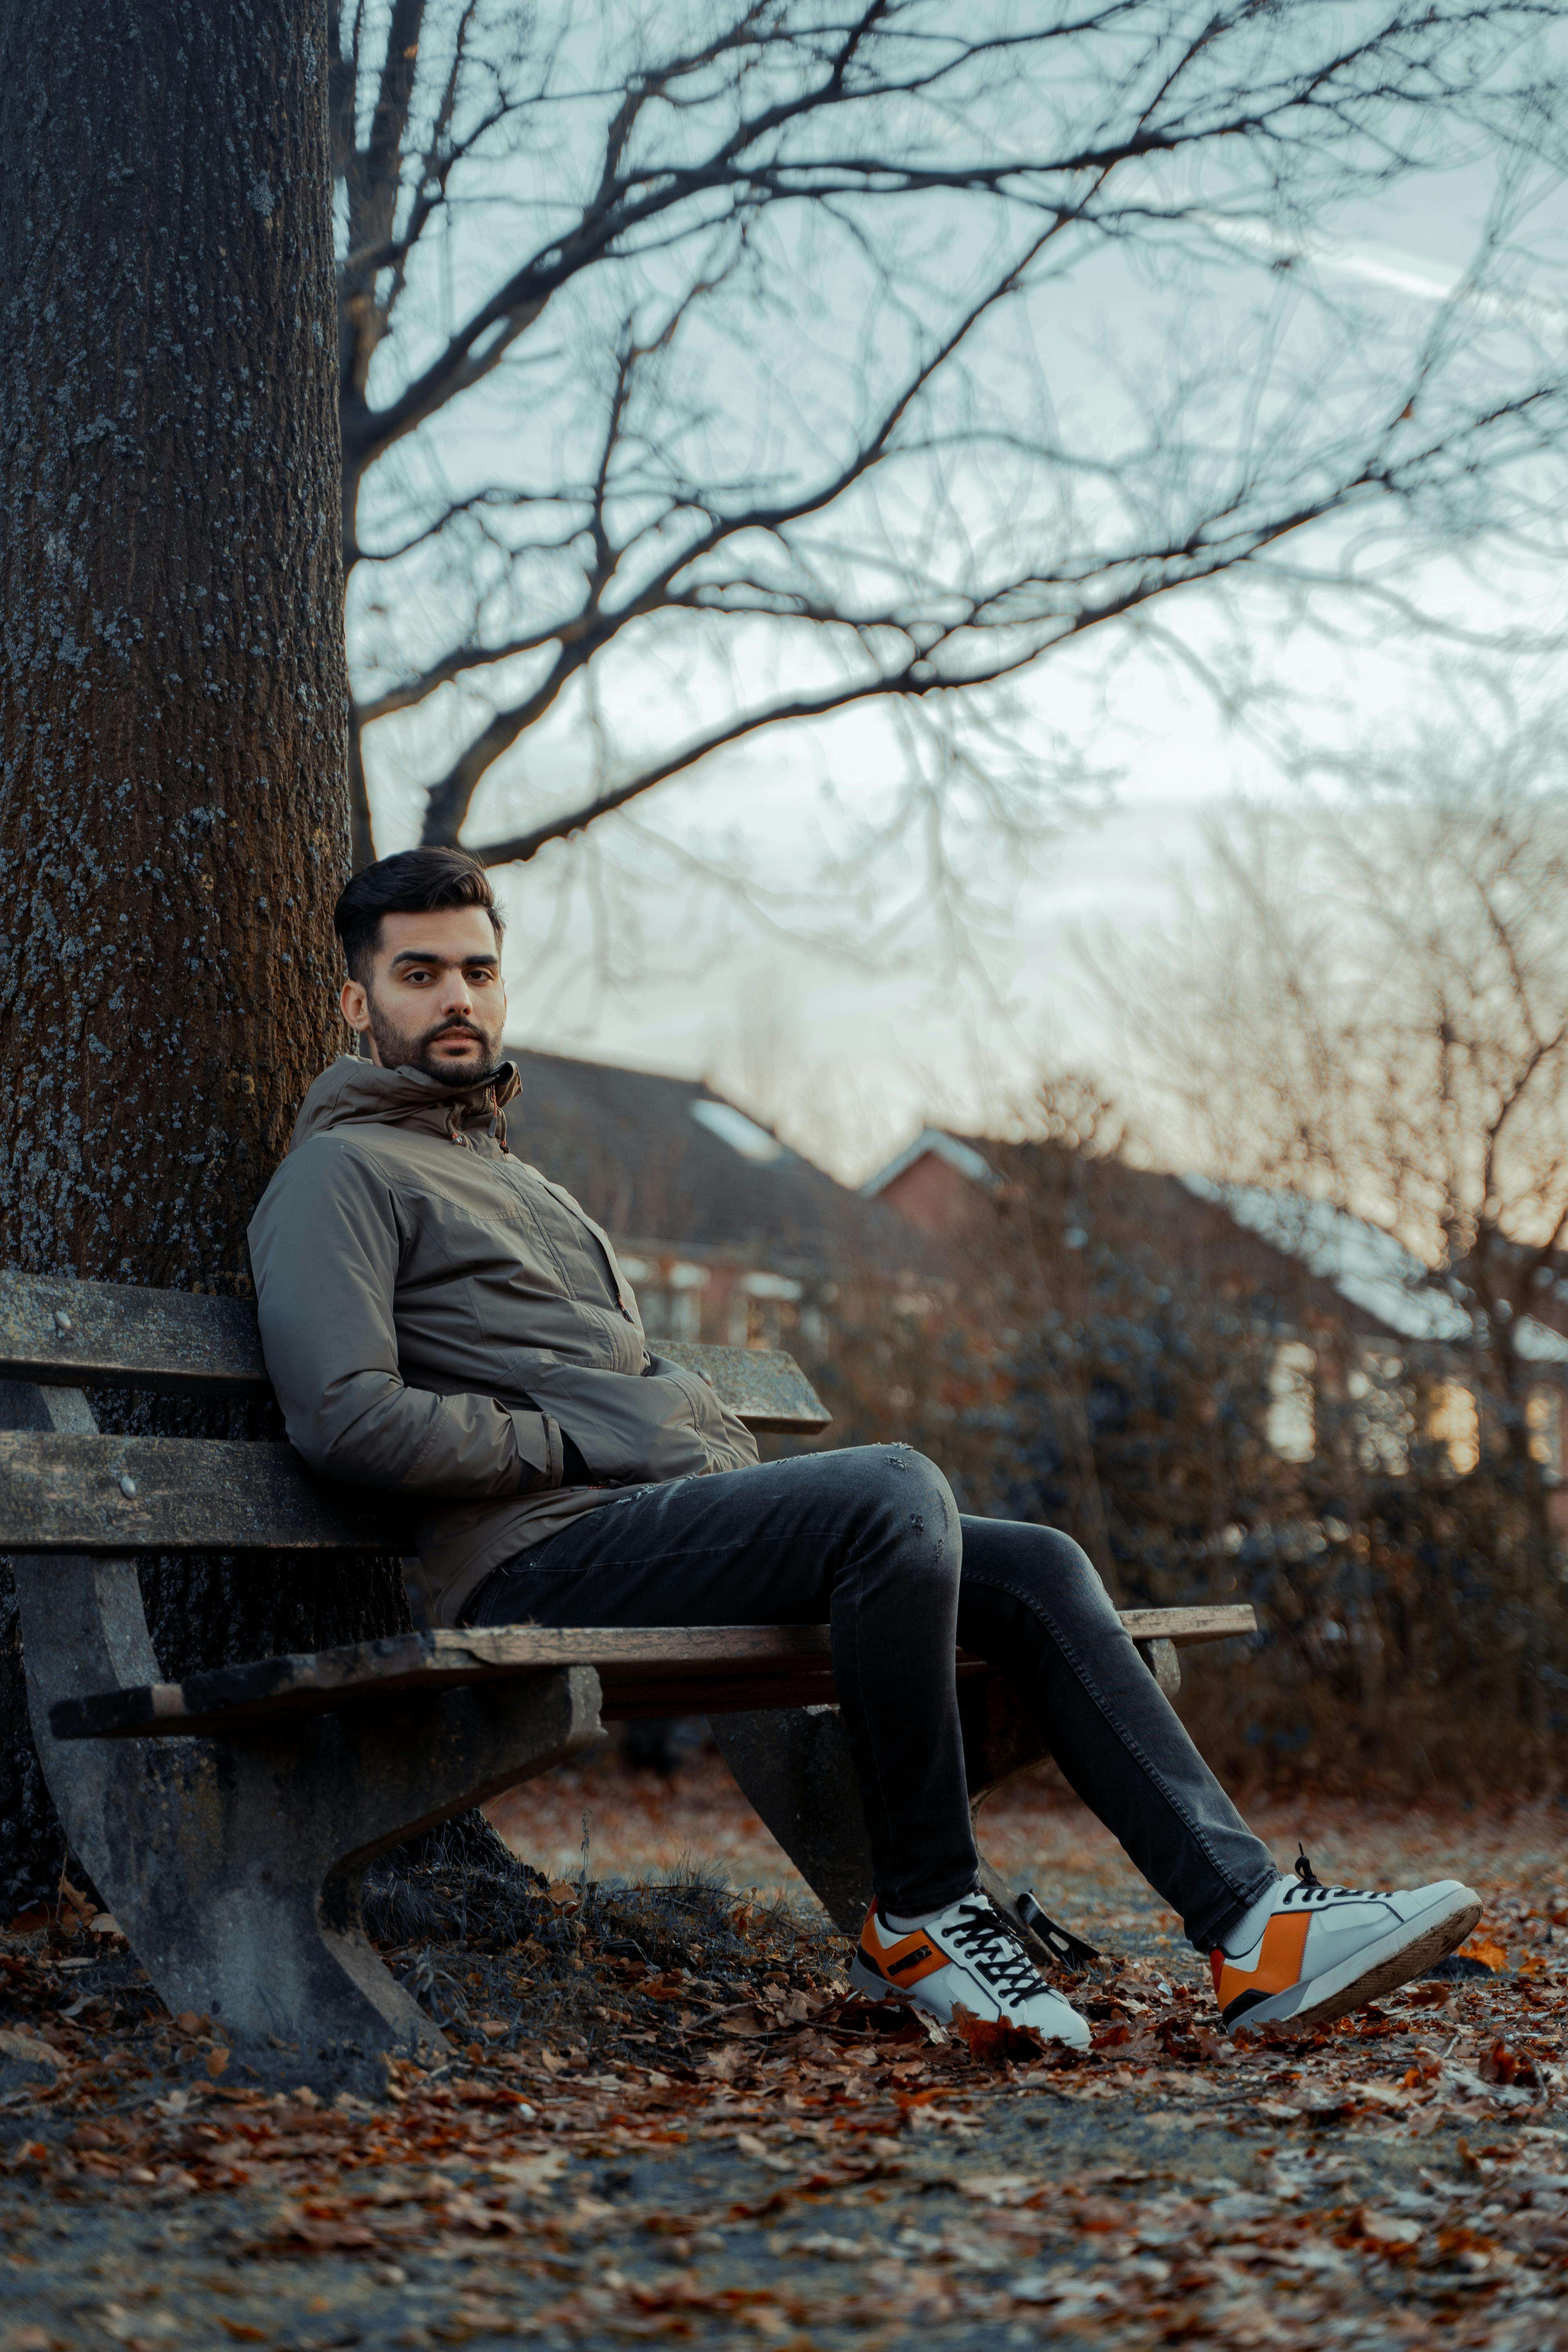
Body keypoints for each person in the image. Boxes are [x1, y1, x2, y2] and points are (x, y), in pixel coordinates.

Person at [249, 848, 1482, 2047]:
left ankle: (1254, 1926)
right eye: (420, 974)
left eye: (476, 969)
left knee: (1036, 1566)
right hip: (532, 1558)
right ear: (360, 1001)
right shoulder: (340, 1177)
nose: (456, 997)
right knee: (893, 1488)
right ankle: (930, 1910)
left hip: (644, 1527)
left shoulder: (525, 1183)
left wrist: (656, 1436)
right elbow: (347, 1420)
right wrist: (567, 1435)